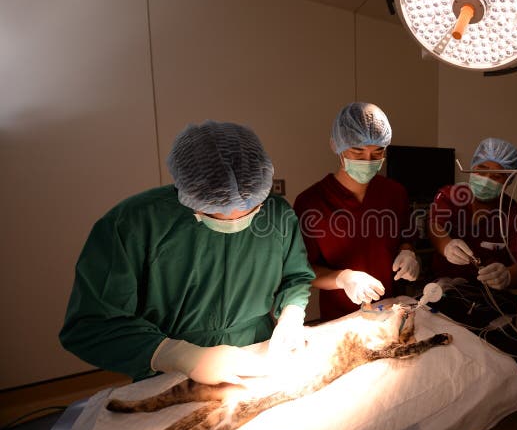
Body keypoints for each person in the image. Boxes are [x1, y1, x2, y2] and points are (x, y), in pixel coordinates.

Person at [60, 120, 315, 384]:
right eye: (215, 213)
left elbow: (295, 277)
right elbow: (91, 324)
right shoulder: (132, 224)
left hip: (259, 354)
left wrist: (292, 314)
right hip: (172, 372)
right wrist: (177, 355)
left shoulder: (277, 214)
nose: (234, 220)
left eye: (250, 211)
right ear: (189, 195)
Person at [293, 102, 419, 321]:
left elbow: (405, 238)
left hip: (390, 310)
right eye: (358, 152)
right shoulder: (311, 202)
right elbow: (304, 269)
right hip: (340, 319)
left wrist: (408, 253)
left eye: (377, 153)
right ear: (336, 146)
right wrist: (342, 278)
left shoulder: (394, 193)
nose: (368, 161)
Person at [428, 137, 517, 290]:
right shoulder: (450, 195)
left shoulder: (514, 213)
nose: (486, 180)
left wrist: (508, 275)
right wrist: (446, 246)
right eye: (481, 170)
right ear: (472, 167)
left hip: (490, 292)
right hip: (445, 286)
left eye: (496, 176)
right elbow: (435, 226)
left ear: (508, 181)